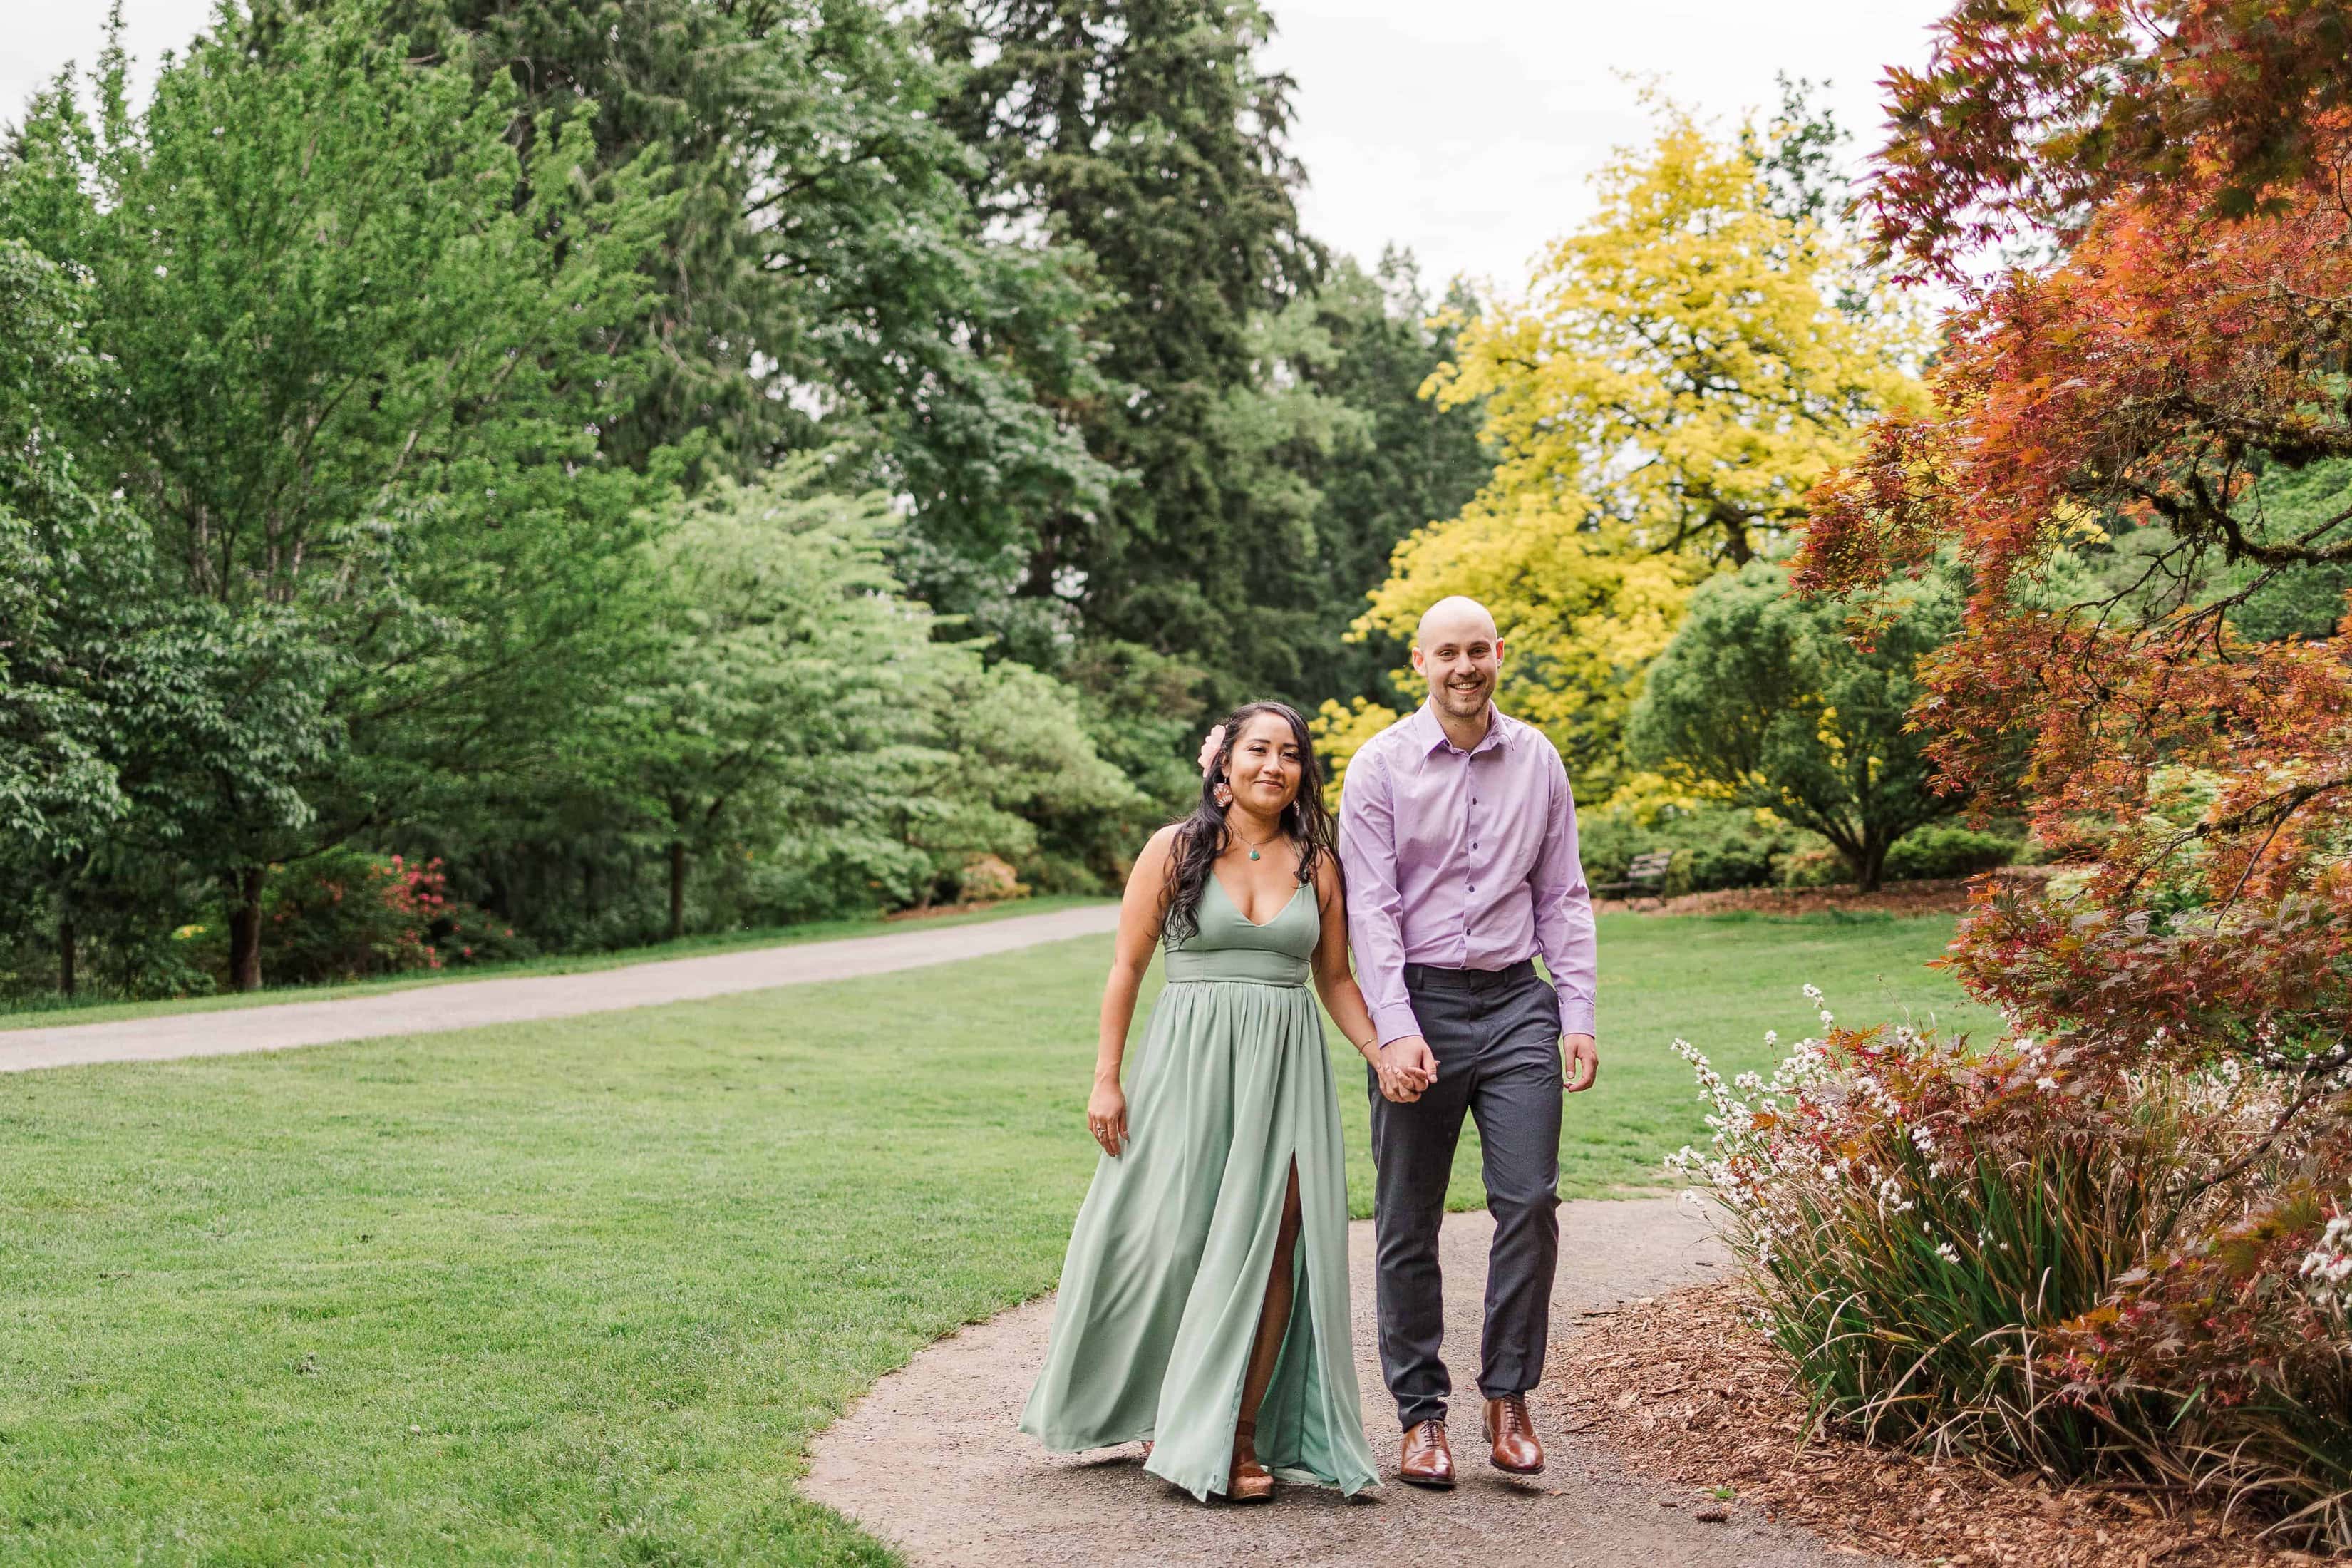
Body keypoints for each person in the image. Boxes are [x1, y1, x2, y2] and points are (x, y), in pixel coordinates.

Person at [1018, 701, 1384, 1504]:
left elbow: (1335, 979)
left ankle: (1241, 1434)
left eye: (1291, 754)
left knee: (1281, 1235)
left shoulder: (1317, 860)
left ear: (1303, 771)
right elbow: (1126, 967)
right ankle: (1161, 1405)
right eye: (1259, 749)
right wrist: (1106, 1075)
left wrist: (1380, 1050)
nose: (1274, 766)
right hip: (1187, 1064)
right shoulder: (1173, 849)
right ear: (1225, 765)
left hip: (1285, 1069)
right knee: (1174, 1239)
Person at [1338, 594, 1600, 1490]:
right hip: (1417, 1000)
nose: (1464, 667)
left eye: (1477, 650)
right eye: (1445, 652)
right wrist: (1395, 1033)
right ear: (1418, 660)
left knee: (1529, 1198)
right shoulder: (1378, 767)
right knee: (1407, 1217)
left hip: (1517, 1002)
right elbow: (1368, 910)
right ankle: (1420, 1416)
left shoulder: (1539, 760)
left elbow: (1563, 894)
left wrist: (1578, 1011)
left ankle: (1509, 1394)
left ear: (1499, 653)